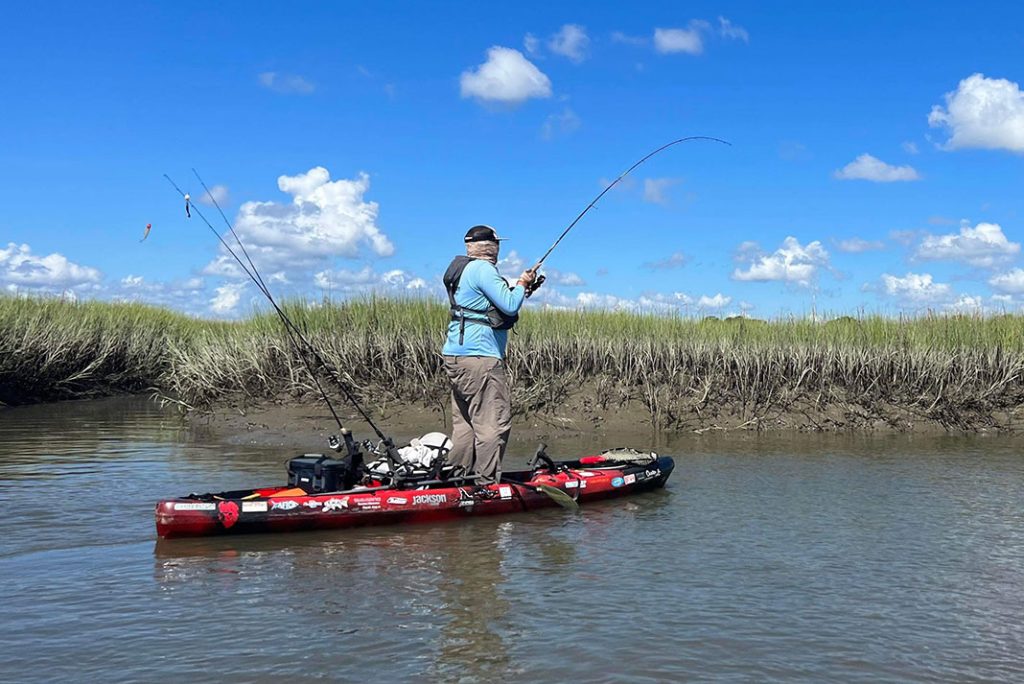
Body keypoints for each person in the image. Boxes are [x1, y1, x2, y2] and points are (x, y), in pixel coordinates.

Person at [441, 225, 539, 484]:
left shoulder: (463, 270)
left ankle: (457, 481)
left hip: (456, 356)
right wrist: (521, 284)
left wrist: (522, 289)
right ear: (492, 246)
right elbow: (509, 304)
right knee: (493, 425)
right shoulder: (483, 269)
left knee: (466, 426)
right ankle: (485, 485)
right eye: (497, 243)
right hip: (480, 359)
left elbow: (494, 305)